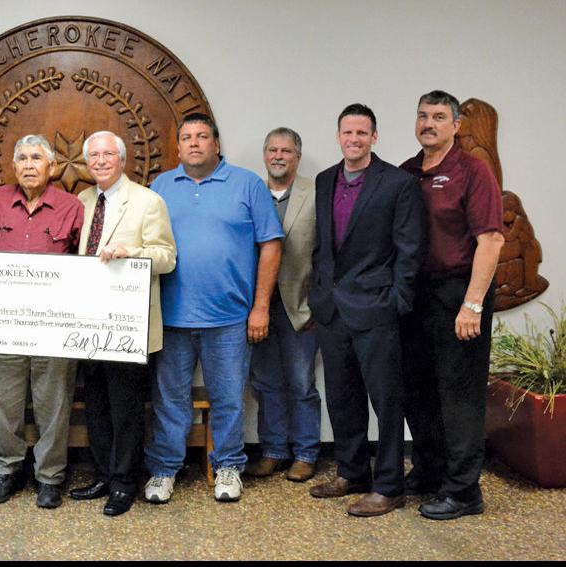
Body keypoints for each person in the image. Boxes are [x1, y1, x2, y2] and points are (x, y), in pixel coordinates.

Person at [144, 113, 283, 504]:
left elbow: (271, 245)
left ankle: (228, 466)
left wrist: (260, 307)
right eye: (187, 137)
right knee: (170, 400)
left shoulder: (247, 184)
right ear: (178, 147)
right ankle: (164, 470)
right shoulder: (160, 187)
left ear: (216, 144)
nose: (194, 143)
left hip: (230, 318)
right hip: (171, 316)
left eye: (202, 136)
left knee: (228, 399)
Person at [307, 104, 426, 517]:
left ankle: (390, 485)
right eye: (347, 132)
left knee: (386, 401)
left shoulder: (398, 183)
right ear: (338, 136)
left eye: (362, 133)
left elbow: (410, 250)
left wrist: (397, 302)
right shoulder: (325, 180)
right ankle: (352, 472)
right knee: (342, 398)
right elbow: (323, 245)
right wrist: (318, 292)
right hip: (332, 309)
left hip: (377, 309)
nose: (353, 139)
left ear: (374, 137)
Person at [400, 90, 504, 520]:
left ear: (457, 125)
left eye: (439, 117)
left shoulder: (472, 171)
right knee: (417, 388)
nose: (429, 123)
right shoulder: (407, 172)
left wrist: (472, 305)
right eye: (423, 115)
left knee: (458, 395)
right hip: (415, 296)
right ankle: (429, 470)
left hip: (459, 293)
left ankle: (463, 491)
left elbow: (491, 240)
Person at [69, 131, 175, 516]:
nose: (100, 161)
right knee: (96, 405)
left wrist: (131, 252)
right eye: (93, 155)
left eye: (108, 154)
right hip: (89, 323)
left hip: (129, 326)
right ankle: (103, 474)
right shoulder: (81, 202)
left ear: (122, 159)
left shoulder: (148, 201)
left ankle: (124, 483)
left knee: (126, 408)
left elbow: (167, 257)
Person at [0, 134, 84, 509]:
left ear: (52, 167)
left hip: (54, 324)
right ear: (13, 166)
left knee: (53, 403)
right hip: (4, 322)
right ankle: (5, 470)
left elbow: (87, 261)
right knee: (2, 403)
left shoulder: (72, 207)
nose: (28, 164)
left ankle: (49, 476)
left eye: (36, 158)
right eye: (22, 158)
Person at [245, 128, 321, 483]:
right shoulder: (251, 192)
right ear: (265, 154)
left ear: (298, 157)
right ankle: (273, 451)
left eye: (286, 151)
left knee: (301, 382)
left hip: (301, 306)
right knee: (265, 382)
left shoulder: (316, 193)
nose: (278, 156)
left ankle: (306, 453)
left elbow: (328, 251)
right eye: (272, 150)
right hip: (258, 305)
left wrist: (319, 302)